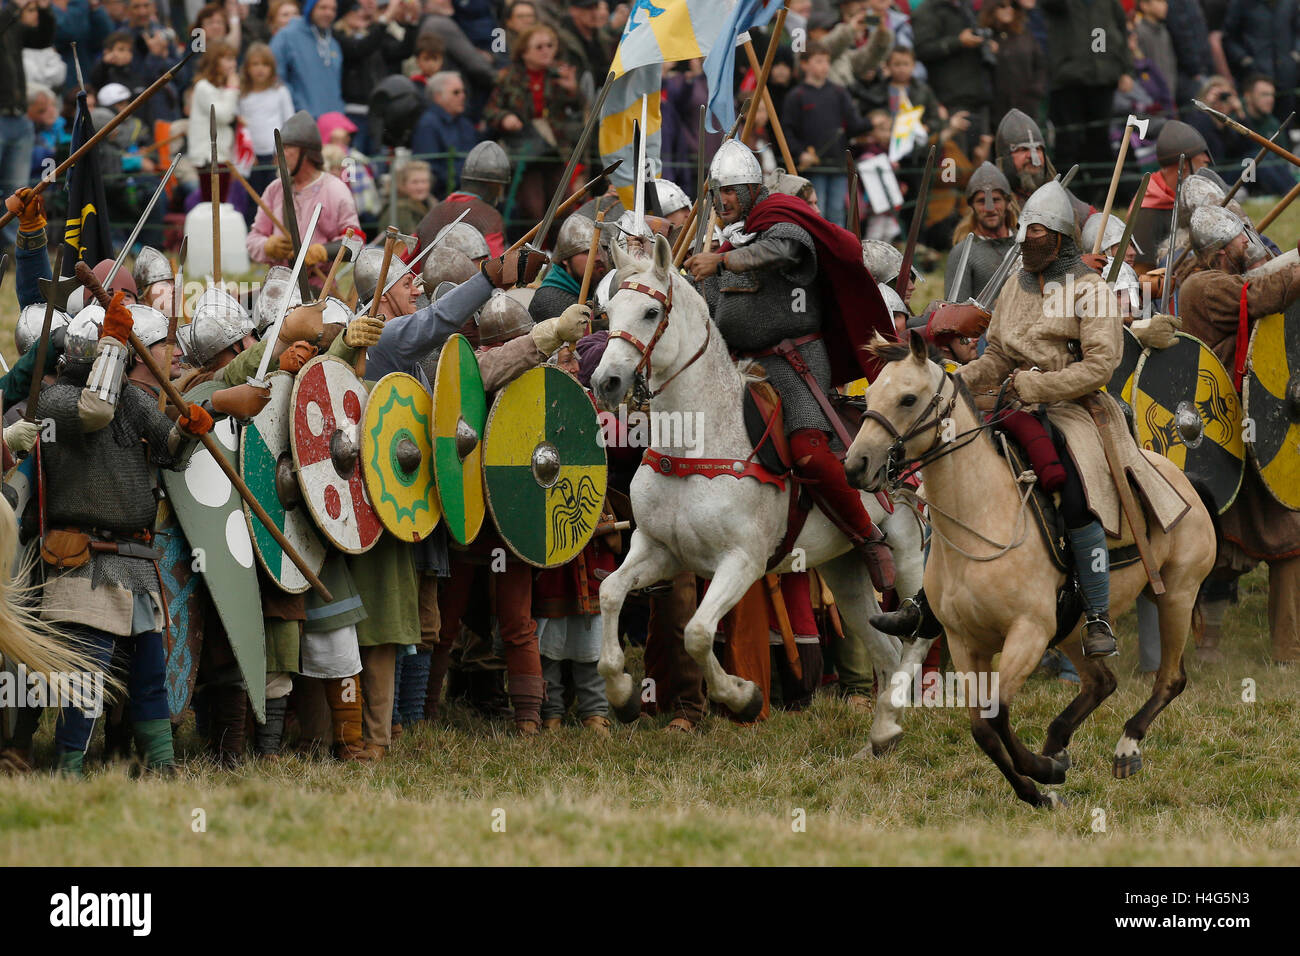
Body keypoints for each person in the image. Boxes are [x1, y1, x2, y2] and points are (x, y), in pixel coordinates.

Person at [875, 181, 1192, 654]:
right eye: (1023, 230)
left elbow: (1100, 365)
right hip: (1009, 403)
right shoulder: (1015, 286)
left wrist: (1036, 386)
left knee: (1074, 485)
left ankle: (1097, 613)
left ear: (1059, 238)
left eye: (1035, 231)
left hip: (1076, 409)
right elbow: (999, 354)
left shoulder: (1090, 290)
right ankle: (927, 600)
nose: (1023, 239)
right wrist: (958, 381)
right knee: (953, 475)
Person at [684, 139, 897, 594]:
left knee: (808, 451)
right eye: (716, 192)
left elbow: (781, 253)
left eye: (730, 191)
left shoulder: (781, 222)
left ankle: (868, 536)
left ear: (751, 189)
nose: (721, 201)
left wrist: (721, 261)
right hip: (739, 368)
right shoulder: (723, 241)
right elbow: (712, 314)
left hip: (793, 363)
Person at [36, 293, 212, 775]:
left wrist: (190, 430)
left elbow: (170, 452)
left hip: (136, 559)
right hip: (84, 559)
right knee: (86, 681)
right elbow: (96, 410)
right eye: (111, 347)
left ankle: (161, 766)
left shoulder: (133, 400)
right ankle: (68, 769)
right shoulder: (55, 402)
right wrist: (113, 343)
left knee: (151, 676)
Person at [1175, 205, 1300, 665]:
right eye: (1239, 244)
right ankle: (1203, 648)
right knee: (1221, 549)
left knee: (1282, 540)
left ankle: (1286, 651)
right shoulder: (1202, 287)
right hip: (1222, 435)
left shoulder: (1218, 279)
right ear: (1220, 253)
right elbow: (1263, 294)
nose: (1248, 247)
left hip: (1255, 433)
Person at [484, 23, 586, 234]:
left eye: (550, 45)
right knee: (533, 209)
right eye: (539, 47)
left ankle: (562, 256)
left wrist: (573, 90)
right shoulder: (509, 76)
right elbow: (491, 110)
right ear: (524, 52)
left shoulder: (559, 74)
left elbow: (578, 108)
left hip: (555, 150)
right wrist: (506, 118)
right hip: (525, 153)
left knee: (564, 207)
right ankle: (534, 256)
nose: (546, 51)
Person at [1039, 0, 1131, 207]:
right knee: (1068, 143)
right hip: (1068, 80)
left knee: (1100, 141)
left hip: (1103, 77)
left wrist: (1125, 68)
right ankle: (1068, 201)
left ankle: (1107, 200)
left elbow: (1121, 30)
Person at [246, 109, 361, 269]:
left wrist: (322, 252)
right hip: (278, 285)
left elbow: (356, 242)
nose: (280, 154)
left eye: (286, 148)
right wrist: (267, 246)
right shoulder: (274, 190)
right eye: (279, 147)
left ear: (306, 152)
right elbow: (252, 239)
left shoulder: (335, 189)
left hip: (318, 287)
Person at [781, 40, 868, 228]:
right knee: (816, 210)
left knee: (837, 211)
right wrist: (800, 152)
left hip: (837, 163)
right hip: (813, 166)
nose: (824, 66)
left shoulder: (838, 92)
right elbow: (787, 131)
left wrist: (872, 123)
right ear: (804, 64)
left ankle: (836, 252)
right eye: (819, 61)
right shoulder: (796, 95)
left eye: (826, 61)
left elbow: (854, 124)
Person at [1, 0, 54, 253]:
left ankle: (13, 249)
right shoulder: (6, 17)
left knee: (17, 190)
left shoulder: (11, 22)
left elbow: (42, 38)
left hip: (18, 117)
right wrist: (15, 6)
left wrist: (42, 9)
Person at [1130, 119, 1211, 276]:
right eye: (1200, 158)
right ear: (1185, 165)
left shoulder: (1187, 198)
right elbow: (1141, 274)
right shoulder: (1147, 211)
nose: (1206, 160)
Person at [912, 0, 995, 153]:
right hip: (950, 100)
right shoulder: (928, 10)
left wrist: (986, 45)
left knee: (983, 162)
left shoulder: (966, 7)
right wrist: (958, 42)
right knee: (956, 166)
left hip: (979, 96)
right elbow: (921, 50)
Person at [415, 139, 510, 256]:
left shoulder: (433, 213)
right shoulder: (490, 217)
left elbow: (405, 262)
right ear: (495, 186)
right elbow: (495, 266)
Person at [944, 161, 1017, 303]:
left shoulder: (1026, 245)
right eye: (982, 201)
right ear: (972, 206)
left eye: (996, 200)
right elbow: (955, 312)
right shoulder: (962, 253)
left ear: (1008, 203)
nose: (990, 208)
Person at [238, 41, 296, 206]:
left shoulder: (280, 91)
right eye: (255, 64)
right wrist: (248, 154)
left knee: (277, 200)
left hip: (275, 156)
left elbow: (289, 122)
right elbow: (240, 127)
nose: (260, 69)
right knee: (254, 201)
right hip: (252, 158)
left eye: (265, 64)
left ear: (272, 67)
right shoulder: (242, 95)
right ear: (247, 68)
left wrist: (282, 152)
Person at [1222, 0, 1299, 121]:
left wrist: (1296, 53)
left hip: (1286, 73)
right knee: (1257, 122)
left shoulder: (1290, 3)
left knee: (1286, 121)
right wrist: (1244, 59)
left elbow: (1297, 30)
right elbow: (1229, 38)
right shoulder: (1241, 4)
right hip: (1255, 74)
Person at [270, 0, 345, 118]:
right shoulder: (287, 36)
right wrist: (298, 107)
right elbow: (275, 77)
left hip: (333, 124)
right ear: (310, 9)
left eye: (333, 9)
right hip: (301, 121)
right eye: (323, 8)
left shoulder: (333, 43)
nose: (328, 13)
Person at [187, 41, 240, 205]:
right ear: (215, 61)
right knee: (212, 203)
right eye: (227, 59)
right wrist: (232, 90)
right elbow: (222, 115)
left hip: (221, 154)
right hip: (208, 157)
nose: (233, 64)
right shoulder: (203, 87)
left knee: (220, 202)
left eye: (233, 59)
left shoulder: (220, 88)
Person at [411, 71, 481, 194]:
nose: (462, 96)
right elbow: (430, 170)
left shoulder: (465, 123)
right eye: (456, 92)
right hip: (447, 197)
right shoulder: (428, 125)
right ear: (438, 97)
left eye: (463, 91)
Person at [980, 0, 1044, 123]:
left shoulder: (1025, 35)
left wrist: (1036, 90)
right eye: (1002, 6)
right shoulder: (986, 39)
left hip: (1027, 105)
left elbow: (1040, 64)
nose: (1008, 10)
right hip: (998, 109)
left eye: (1012, 6)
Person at [529, 213, 600, 322]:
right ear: (566, 259)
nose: (597, 258)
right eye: (586, 252)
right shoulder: (548, 300)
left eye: (599, 251)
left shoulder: (600, 289)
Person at [1240, 74, 1298, 197]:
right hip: (1241, 176)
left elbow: (1283, 158)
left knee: (1269, 157)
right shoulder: (1235, 118)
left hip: (1267, 176)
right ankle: (1291, 194)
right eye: (1264, 94)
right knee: (1257, 156)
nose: (1270, 99)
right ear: (1248, 97)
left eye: (1272, 95)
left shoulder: (1273, 122)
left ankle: (1293, 192)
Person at [378, 159, 435, 235]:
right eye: (415, 182)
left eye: (424, 181)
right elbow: (411, 241)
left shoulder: (431, 203)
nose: (420, 187)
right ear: (403, 184)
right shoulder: (400, 210)